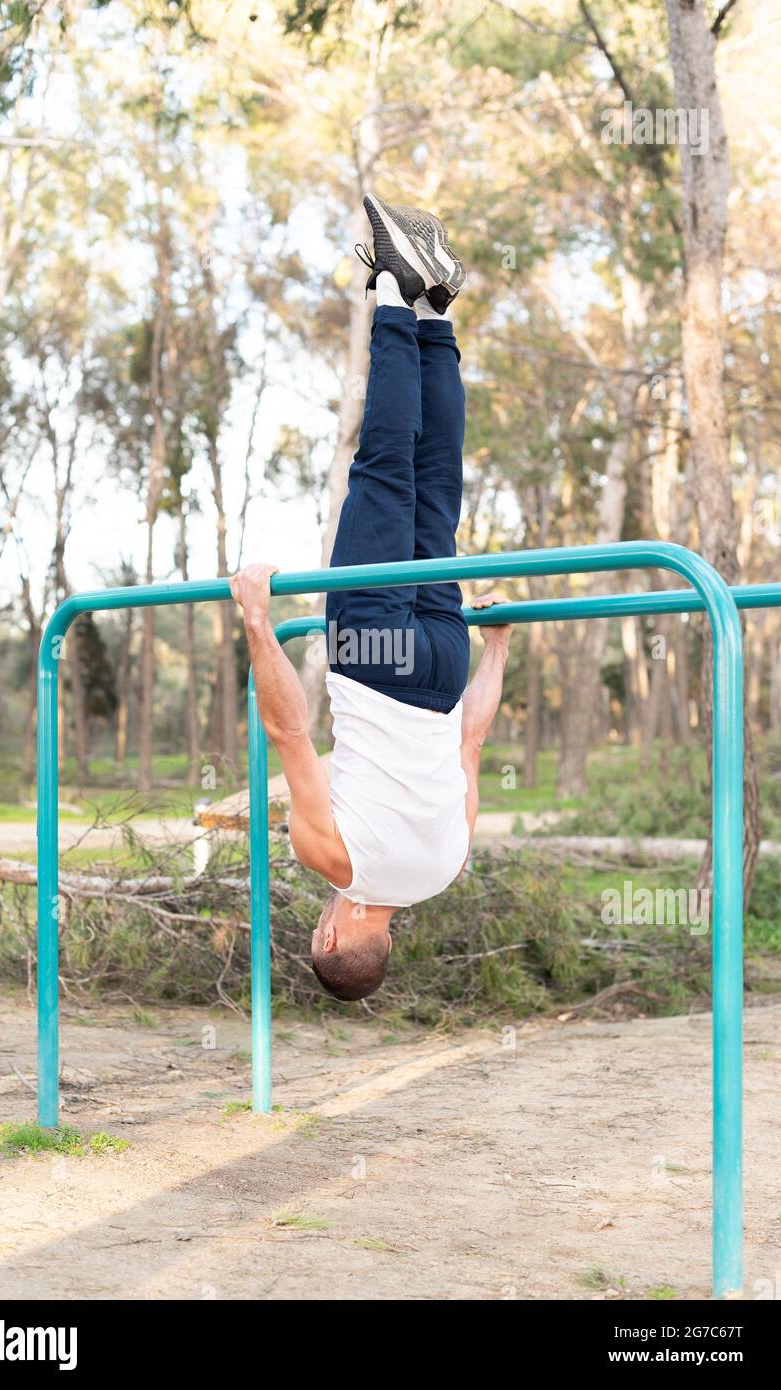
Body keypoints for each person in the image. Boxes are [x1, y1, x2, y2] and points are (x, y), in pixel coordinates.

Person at [230, 194, 513, 1002]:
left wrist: (492, 649)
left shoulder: (445, 869)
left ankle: (432, 312)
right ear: (332, 934)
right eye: (320, 927)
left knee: (435, 493)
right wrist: (258, 620)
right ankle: (394, 291)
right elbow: (289, 730)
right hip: (374, 659)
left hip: (442, 672)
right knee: (386, 473)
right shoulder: (333, 862)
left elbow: (470, 744)